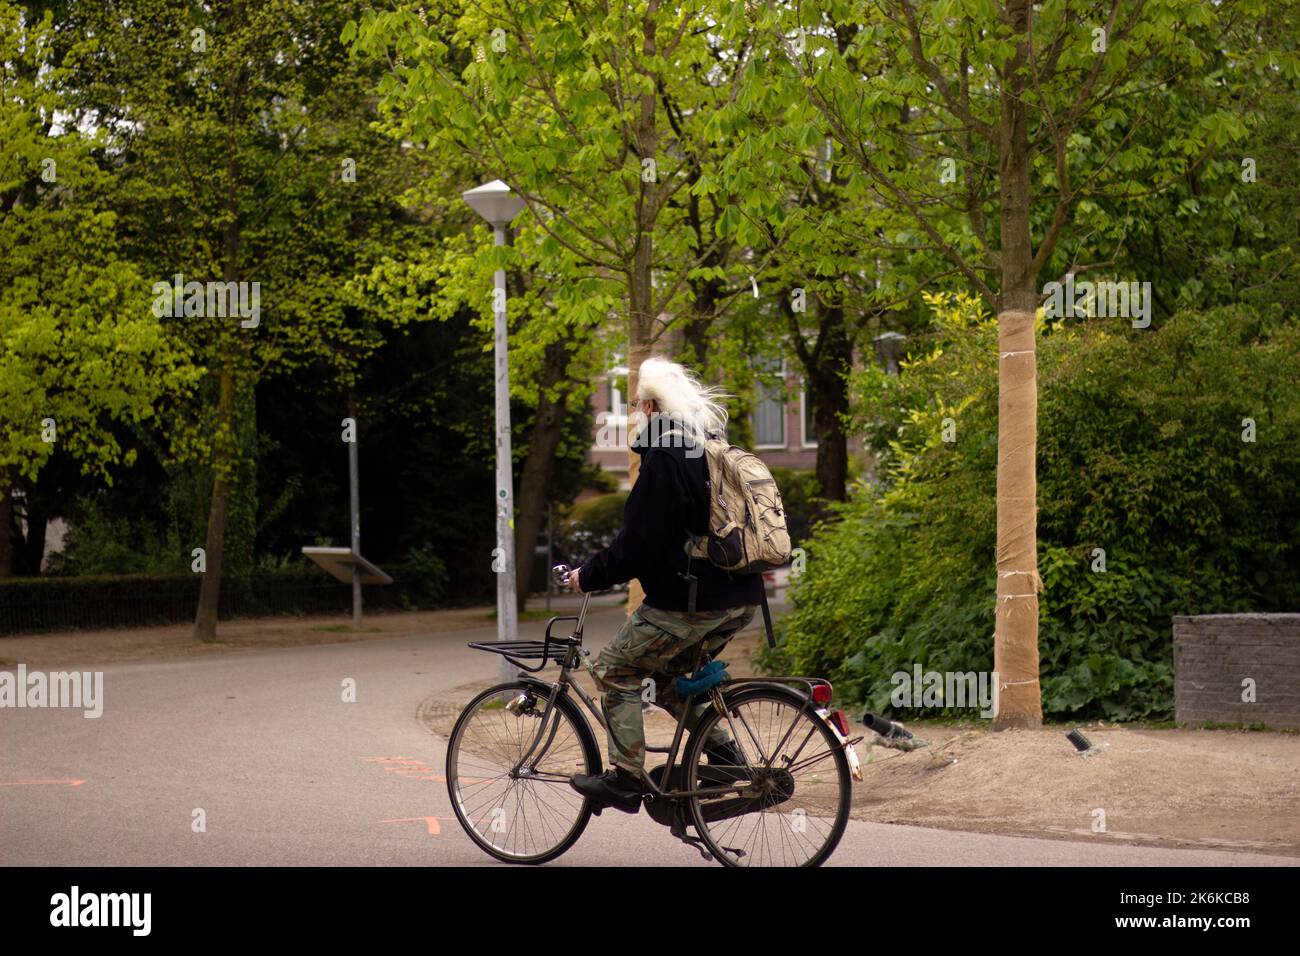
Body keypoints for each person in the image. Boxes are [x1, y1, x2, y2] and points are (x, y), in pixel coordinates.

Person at [567, 357, 762, 812]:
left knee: (616, 670)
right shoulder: (706, 447)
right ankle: (727, 758)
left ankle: (625, 780)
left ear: (652, 407)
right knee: (670, 680)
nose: (635, 412)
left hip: (690, 602)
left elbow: (637, 545)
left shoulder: (666, 460)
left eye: (637, 404)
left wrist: (589, 575)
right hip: (741, 596)